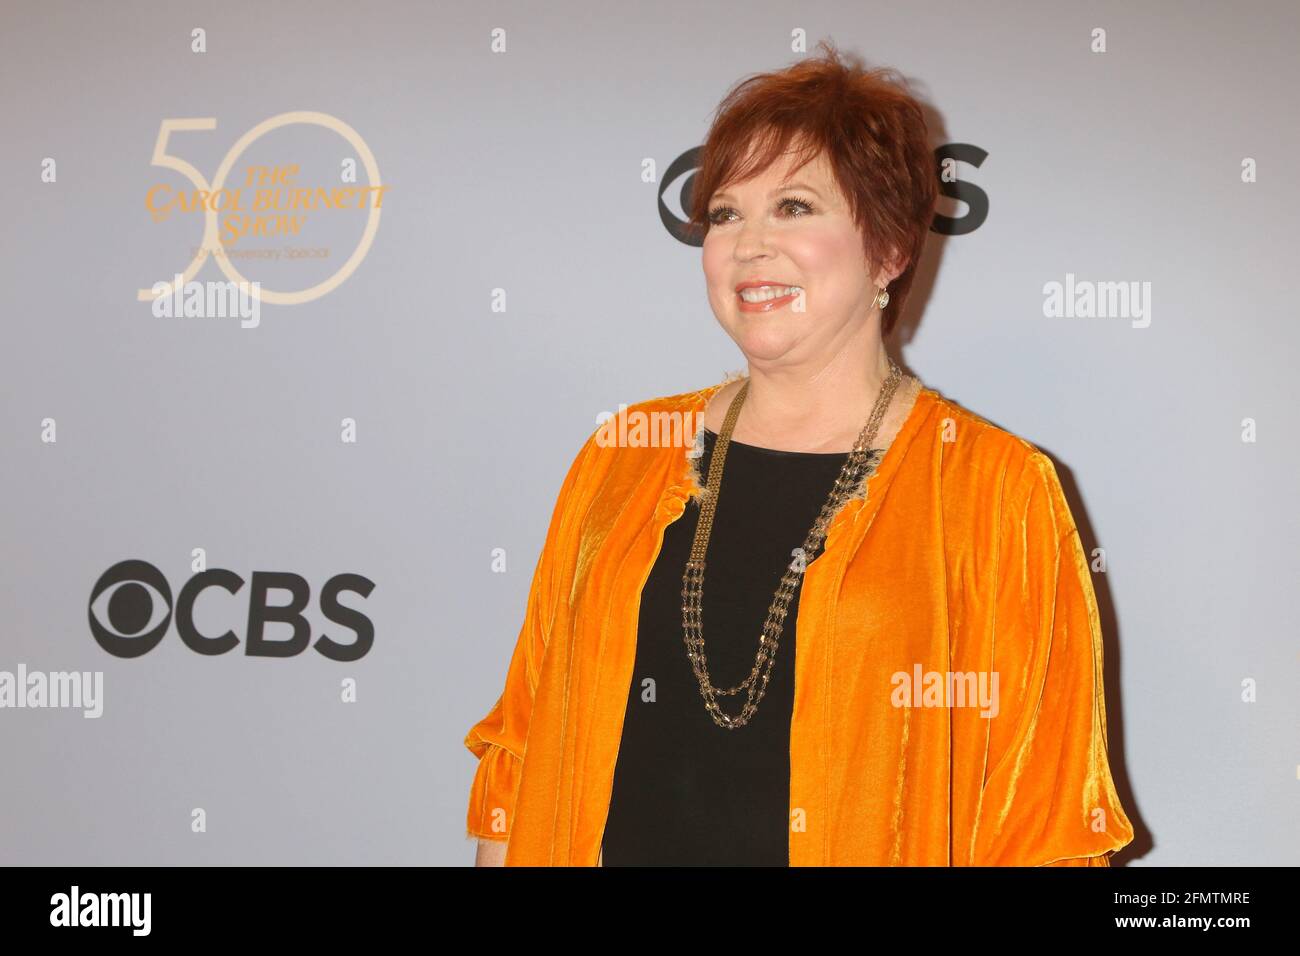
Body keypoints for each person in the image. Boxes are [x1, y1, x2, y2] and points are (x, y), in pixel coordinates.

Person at [465, 40, 1134, 866]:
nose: (749, 244)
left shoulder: (997, 490)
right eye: (725, 214)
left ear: (888, 250)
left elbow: (1043, 822)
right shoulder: (624, 453)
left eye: (794, 207)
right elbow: (524, 746)